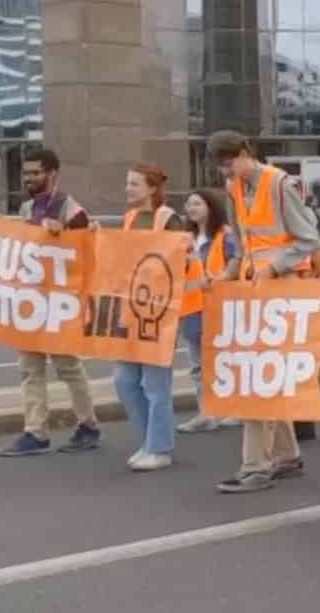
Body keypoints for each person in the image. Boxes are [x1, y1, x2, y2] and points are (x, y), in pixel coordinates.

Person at [208, 130, 320, 494]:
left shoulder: (280, 184)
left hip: (282, 289)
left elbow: (309, 239)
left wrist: (274, 267)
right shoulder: (234, 188)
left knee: (259, 377)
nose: (227, 171)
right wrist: (226, 275)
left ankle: (255, 466)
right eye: (221, 166)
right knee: (267, 373)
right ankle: (285, 456)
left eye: (229, 163)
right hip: (254, 289)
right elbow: (241, 244)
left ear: (246, 152)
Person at [0, 148, 102, 458]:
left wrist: (62, 235)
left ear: (52, 173)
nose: (29, 178)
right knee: (30, 369)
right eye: (26, 173)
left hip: (58, 303)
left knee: (68, 367)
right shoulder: (26, 208)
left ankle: (88, 425)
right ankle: (35, 432)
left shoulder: (72, 210)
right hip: (31, 300)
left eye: (35, 173)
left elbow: (86, 255)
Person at [113, 164, 185, 472]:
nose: (128, 189)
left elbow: (180, 257)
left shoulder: (167, 218)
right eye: (127, 183)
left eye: (134, 184)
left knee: (156, 385)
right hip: (131, 308)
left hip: (159, 311)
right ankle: (148, 442)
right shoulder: (129, 218)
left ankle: (160, 448)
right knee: (124, 381)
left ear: (152, 188)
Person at [178, 189, 241, 433]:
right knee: (198, 363)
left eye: (197, 203)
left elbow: (235, 262)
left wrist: (220, 278)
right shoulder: (186, 238)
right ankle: (206, 412)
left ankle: (236, 409)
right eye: (188, 204)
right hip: (192, 307)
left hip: (219, 307)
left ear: (210, 207)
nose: (191, 208)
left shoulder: (226, 235)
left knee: (227, 360)